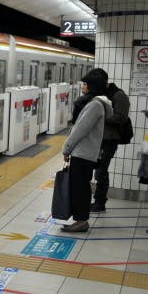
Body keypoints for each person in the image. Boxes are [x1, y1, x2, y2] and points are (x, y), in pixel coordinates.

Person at [61, 72, 112, 232]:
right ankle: (80, 219)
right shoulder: (94, 103)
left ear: (92, 87)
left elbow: (80, 130)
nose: (82, 86)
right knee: (80, 187)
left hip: (84, 154)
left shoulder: (94, 105)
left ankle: (81, 221)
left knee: (80, 188)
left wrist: (66, 148)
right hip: (84, 153)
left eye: (85, 84)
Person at [84, 69, 129, 213]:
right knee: (91, 170)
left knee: (101, 172)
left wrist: (99, 117)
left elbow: (121, 118)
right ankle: (90, 200)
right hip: (96, 139)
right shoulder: (99, 94)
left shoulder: (119, 95)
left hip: (109, 140)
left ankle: (100, 202)